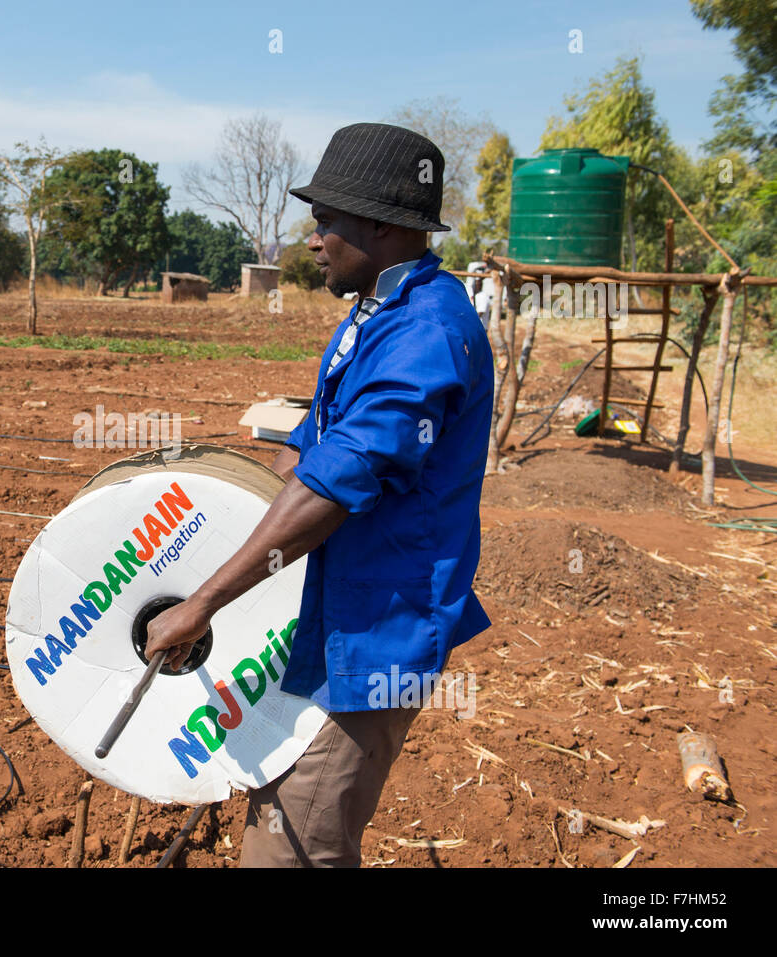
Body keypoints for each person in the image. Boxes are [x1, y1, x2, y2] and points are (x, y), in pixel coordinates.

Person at [144, 123, 494, 867]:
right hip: (325, 617)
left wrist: (204, 599)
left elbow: (341, 480)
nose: (313, 239)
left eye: (326, 220)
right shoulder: (377, 313)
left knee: (294, 846)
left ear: (386, 226)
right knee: (281, 818)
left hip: (373, 635)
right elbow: (314, 444)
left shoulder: (425, 332)